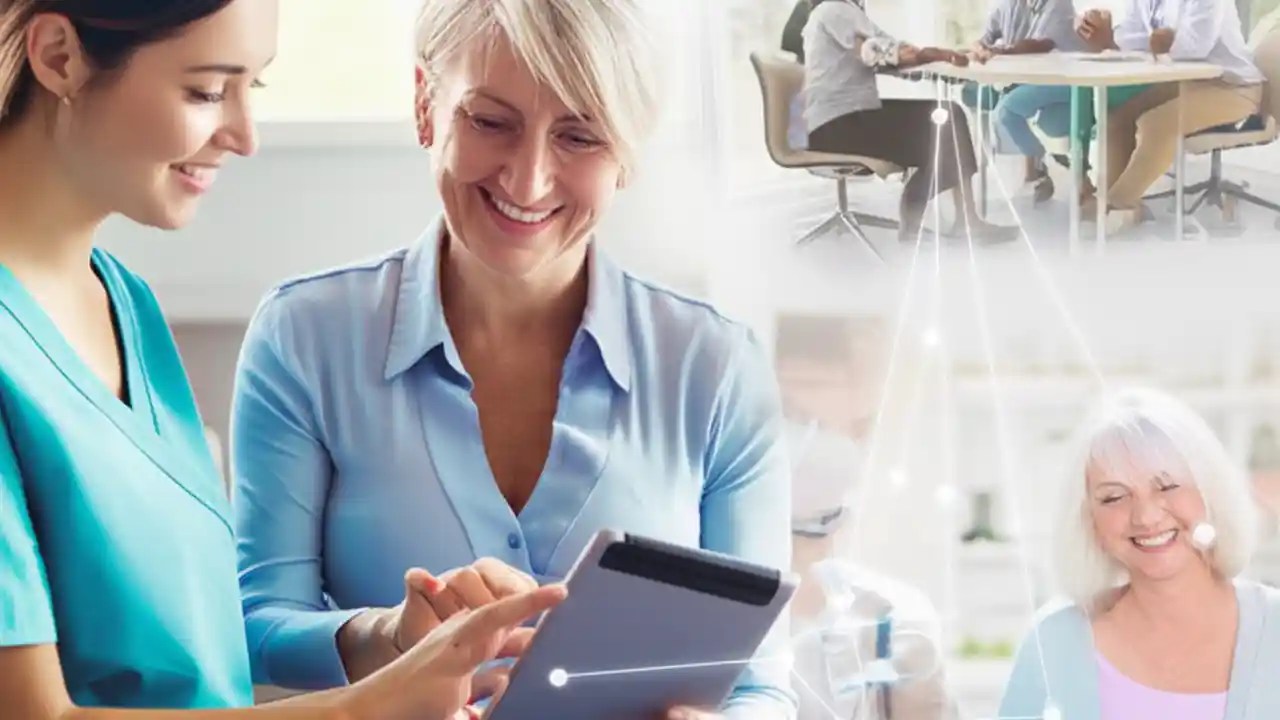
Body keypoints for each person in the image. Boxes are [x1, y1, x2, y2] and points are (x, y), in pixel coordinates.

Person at [230, 1, 798, 718]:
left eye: (581, 135)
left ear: (629, 152)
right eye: (490, 122)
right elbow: (255, 627)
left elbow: (760, 685)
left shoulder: (716, 368)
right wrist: (393, 635)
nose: (528, 181)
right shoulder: (304, 338)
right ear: (425, 104)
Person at [0, 1, 565, 719]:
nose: (244, 136)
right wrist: (364, 710)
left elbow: (180, 648)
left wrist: (397, 640)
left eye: (252, 90)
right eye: (207, 90)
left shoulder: (124, 304)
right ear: (58, 56)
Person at [998, 388, 1280, 719]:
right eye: (1114, 497)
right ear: (1089, 521)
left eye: (1167, 486)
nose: (1145, 517)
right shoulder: (1054, 645)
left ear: (1210, 492)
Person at [800, 0, 1017, 244]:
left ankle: (937, 218)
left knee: (945, 117)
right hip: (837, 127)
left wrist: (937, 58)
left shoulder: (838, 11)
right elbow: (876, 52)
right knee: (948, 119)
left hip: (836, 122)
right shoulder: (835, 10)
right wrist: (930, 55)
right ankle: (933, 214)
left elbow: (892, 49)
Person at [1076, 1, 1264, 230]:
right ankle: (1115, 201)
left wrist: (1166, 42)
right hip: (1189, 81)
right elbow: (1130, 34)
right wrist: (1109, 38)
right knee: (1119, 116)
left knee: (1158, 124)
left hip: (1233, 85)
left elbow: (1197, 45)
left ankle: (1117, 204)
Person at [968, 0, 1088, 203]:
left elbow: (1042, 44)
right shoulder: (1009, 5)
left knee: (1005, 112)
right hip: (1034, 79)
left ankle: (1045, 166)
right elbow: (983, 39)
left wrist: (1001, 51)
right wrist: (980, 48)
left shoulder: (1058, 4)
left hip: (1068, 79)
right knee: (983, 95)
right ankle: (1038, 171)